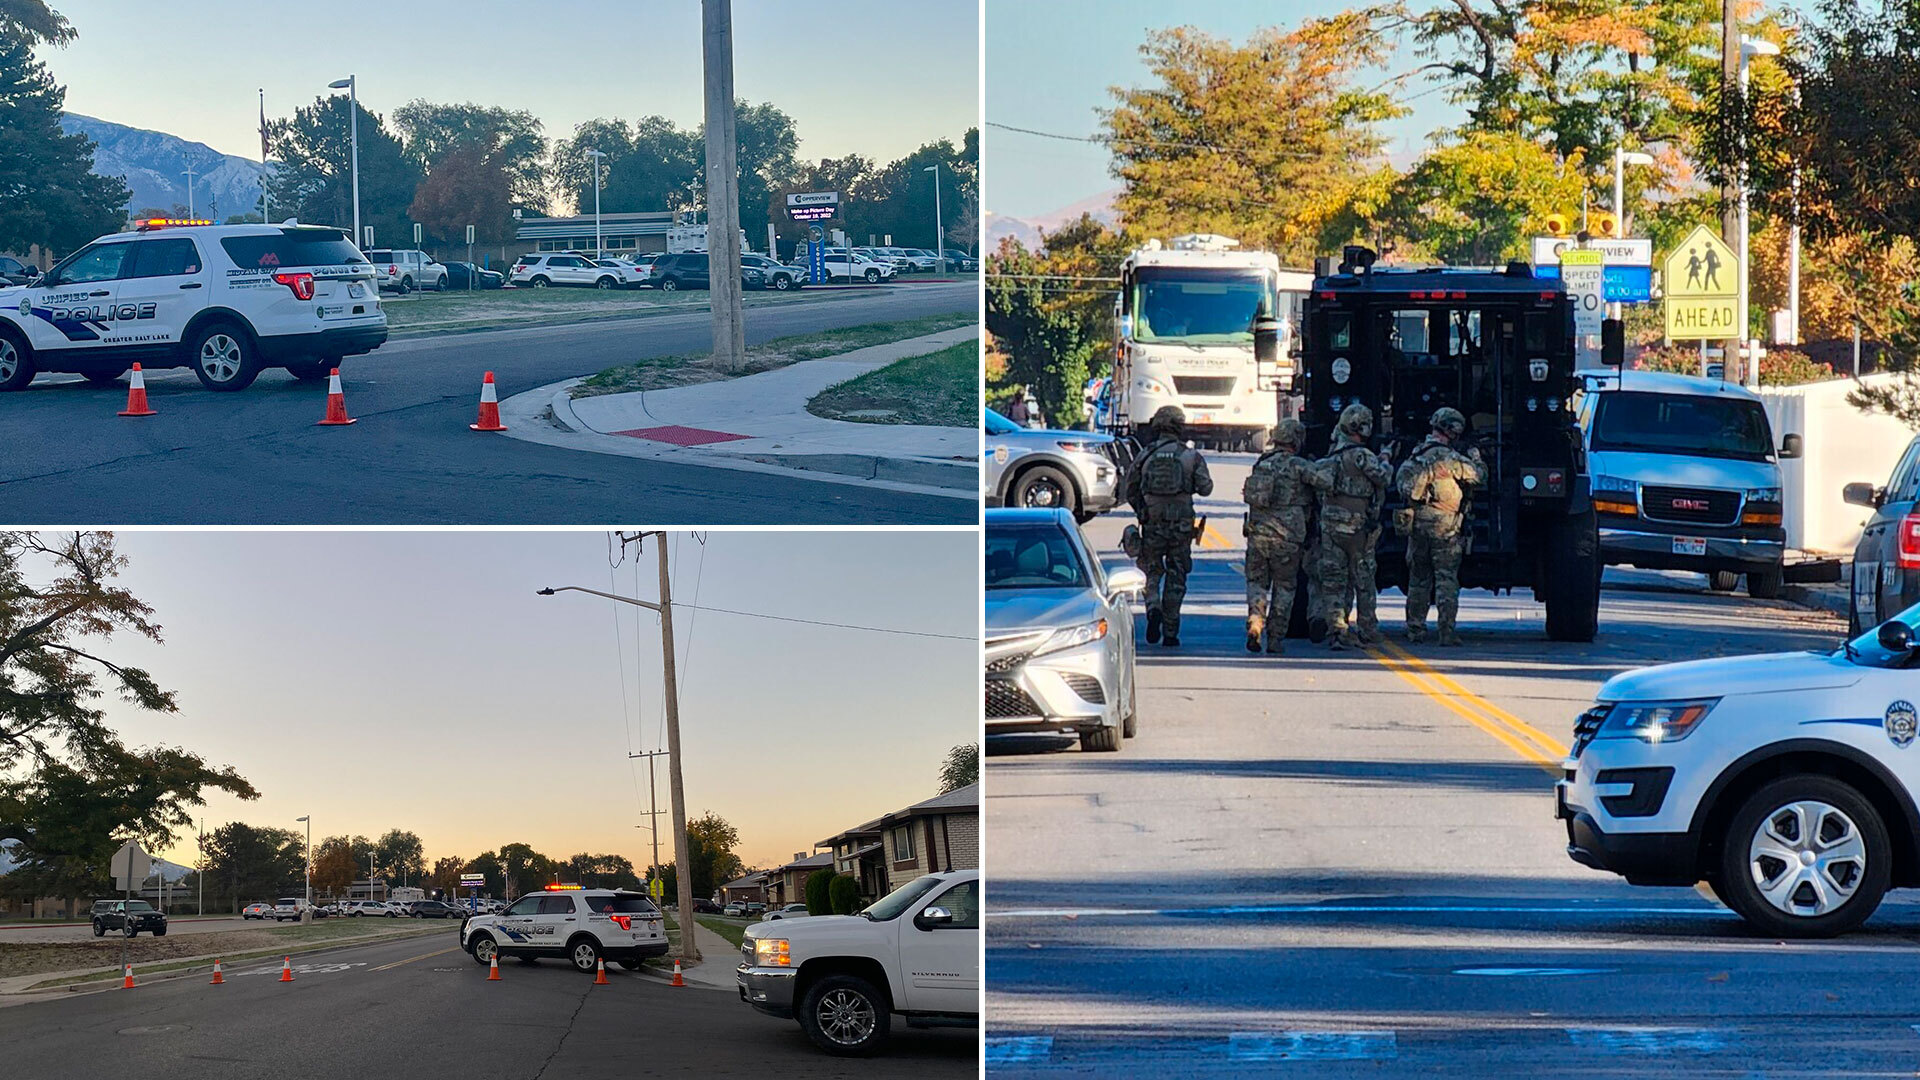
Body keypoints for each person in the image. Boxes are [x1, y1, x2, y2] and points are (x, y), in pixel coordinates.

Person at [1395, 406, 1485, 646]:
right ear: (1453, 431)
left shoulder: (1416, 454)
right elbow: (1479, 476)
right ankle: (1446, 632)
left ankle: (1415, 629)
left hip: (1418, 524)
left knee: (1418, 579)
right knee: (1445, 579)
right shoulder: (1450, 458)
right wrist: (1476, 457)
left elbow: (1402, 483)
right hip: (1445, 526)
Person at [1125, 405, 1212, 647]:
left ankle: (1153, 606)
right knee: (1177, 575)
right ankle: (1171, 631)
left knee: (1151, 571)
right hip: (1181, 526)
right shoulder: (1190, 456)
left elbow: (1130, 488)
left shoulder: (1146, 455)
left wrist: (1143, 512)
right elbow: (1206, 488)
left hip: (1153, 523)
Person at [1314, 403, 1391, 650]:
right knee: (1364, 579)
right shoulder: (1362, 456)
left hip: (1331, 525)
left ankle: (1338, 628)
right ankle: (1367, 629)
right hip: (1357, 527)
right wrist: (1386, 459)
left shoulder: (1330, 457)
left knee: (1335, 580)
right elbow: (1383, 477)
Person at [1241, 419, 1317, 654]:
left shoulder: (1261, 464)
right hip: (1287, 539)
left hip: (1258, 535)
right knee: (1284, 588)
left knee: (1256, 583)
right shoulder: (1300, 466)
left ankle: (1255, 621)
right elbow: (1325, 482)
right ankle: (1275, 639)